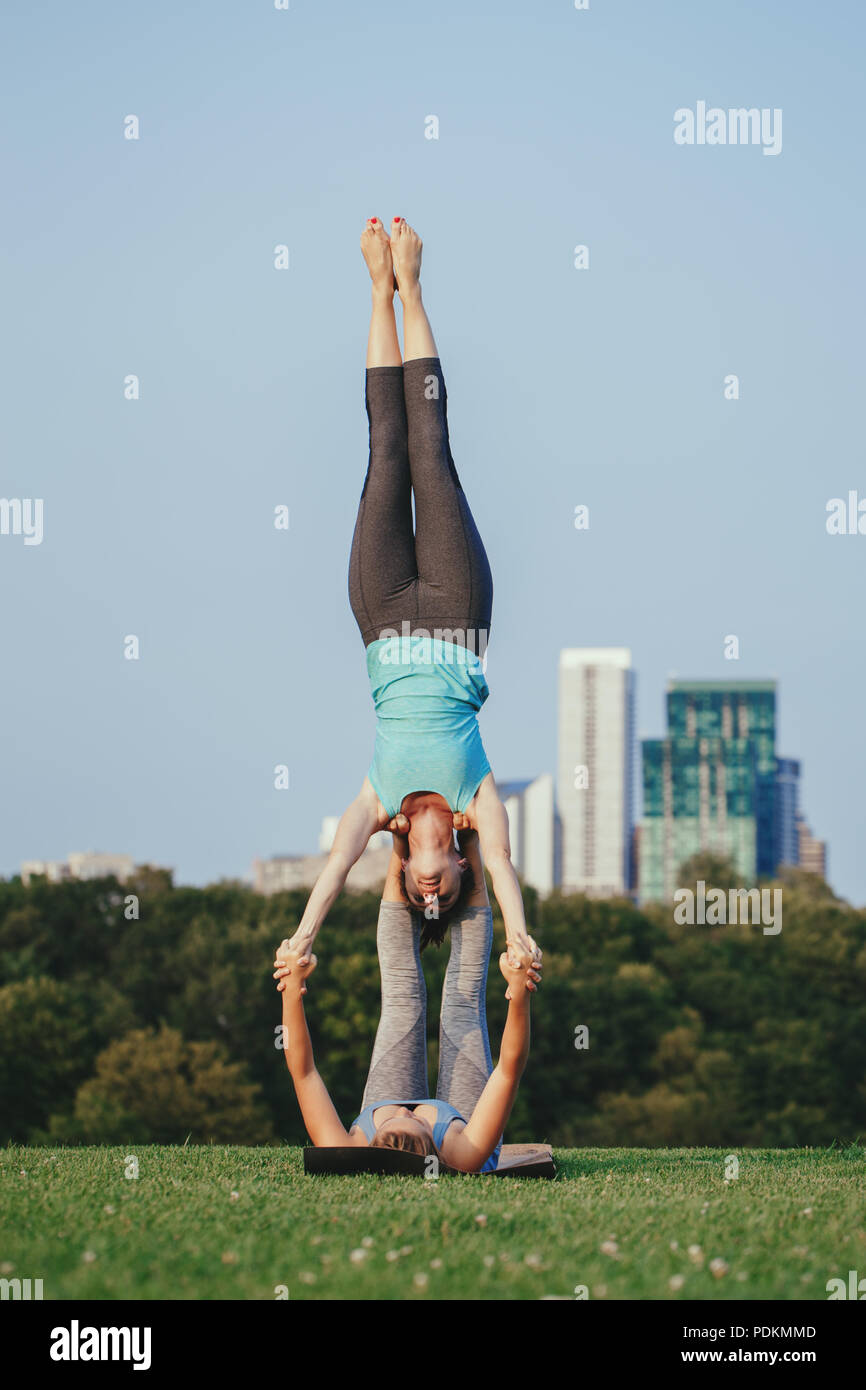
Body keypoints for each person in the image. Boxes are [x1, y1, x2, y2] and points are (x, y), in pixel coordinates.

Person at [285, 215, 539, 973]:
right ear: (458, 871)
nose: (431, 898)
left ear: (404, 874)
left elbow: (330, 873)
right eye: (446, 902)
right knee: (431, 445)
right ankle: (414, 289)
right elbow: (506, 866)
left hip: (382, 612)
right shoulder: (478, 799)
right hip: (459, 614)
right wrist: (517, 943)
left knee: (384, 446)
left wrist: (301, 942)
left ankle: (375, 292)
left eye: (418, 903)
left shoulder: (376, 803)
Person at [273, 908, 541, 1172]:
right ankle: (474, 875)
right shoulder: (462, 1154)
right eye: (416, 1119)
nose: (404, 1109)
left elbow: (304, 1072)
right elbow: (509, 1070)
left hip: (379, 1119)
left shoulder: (346, 1145)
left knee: (401, 998)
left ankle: (399, 865)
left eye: (394, 1120)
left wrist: (291, 986)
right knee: (463, 1008)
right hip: (464, 1131)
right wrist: (519, 991)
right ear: (438, 1151)